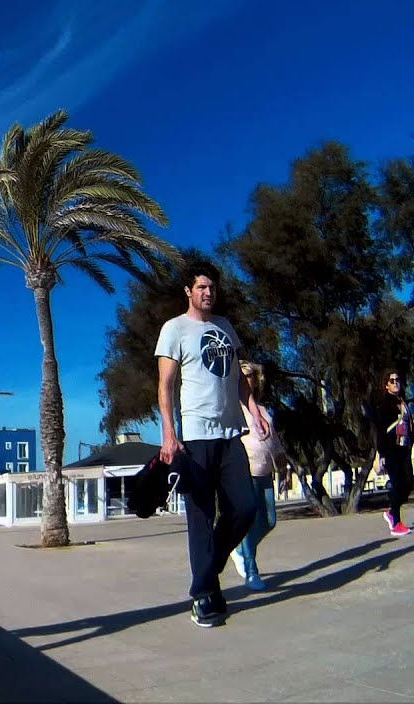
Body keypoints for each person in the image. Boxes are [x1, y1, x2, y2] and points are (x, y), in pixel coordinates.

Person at [155, 260, 269, 627]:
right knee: (201, 517)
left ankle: (210, 569)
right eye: (202, 287)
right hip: (196, 438)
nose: (208, 293)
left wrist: (253, 409)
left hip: (231, 433)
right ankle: (204, 595)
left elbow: (237, 377)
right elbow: (166, 386)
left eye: (212, 288)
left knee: (246, 507)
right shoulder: (174, 329)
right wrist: (170, 435)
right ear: (188, 291)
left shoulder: (225, 327)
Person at [229, 360, 288, 590]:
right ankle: (251, 572)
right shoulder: (233, 408)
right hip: (246, 471)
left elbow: (274, 441)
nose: (247, 380)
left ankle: (239, 549)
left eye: (251, 375)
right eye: (242, 376)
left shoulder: (262, 409)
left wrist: (283, 468)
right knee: (249, 522)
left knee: (269, 520)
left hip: (266, 471)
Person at [373, 369, 412, 536]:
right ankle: (395, 522)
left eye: (397, 379)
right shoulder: (385, 405)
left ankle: (391, 513)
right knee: (397, 484)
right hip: (391, 450)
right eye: (392, 380)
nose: (395, 382)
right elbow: (380, 431)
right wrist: (381, 454)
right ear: (386, 385)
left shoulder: (403, 402)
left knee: (408, 483)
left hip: (404, 449)